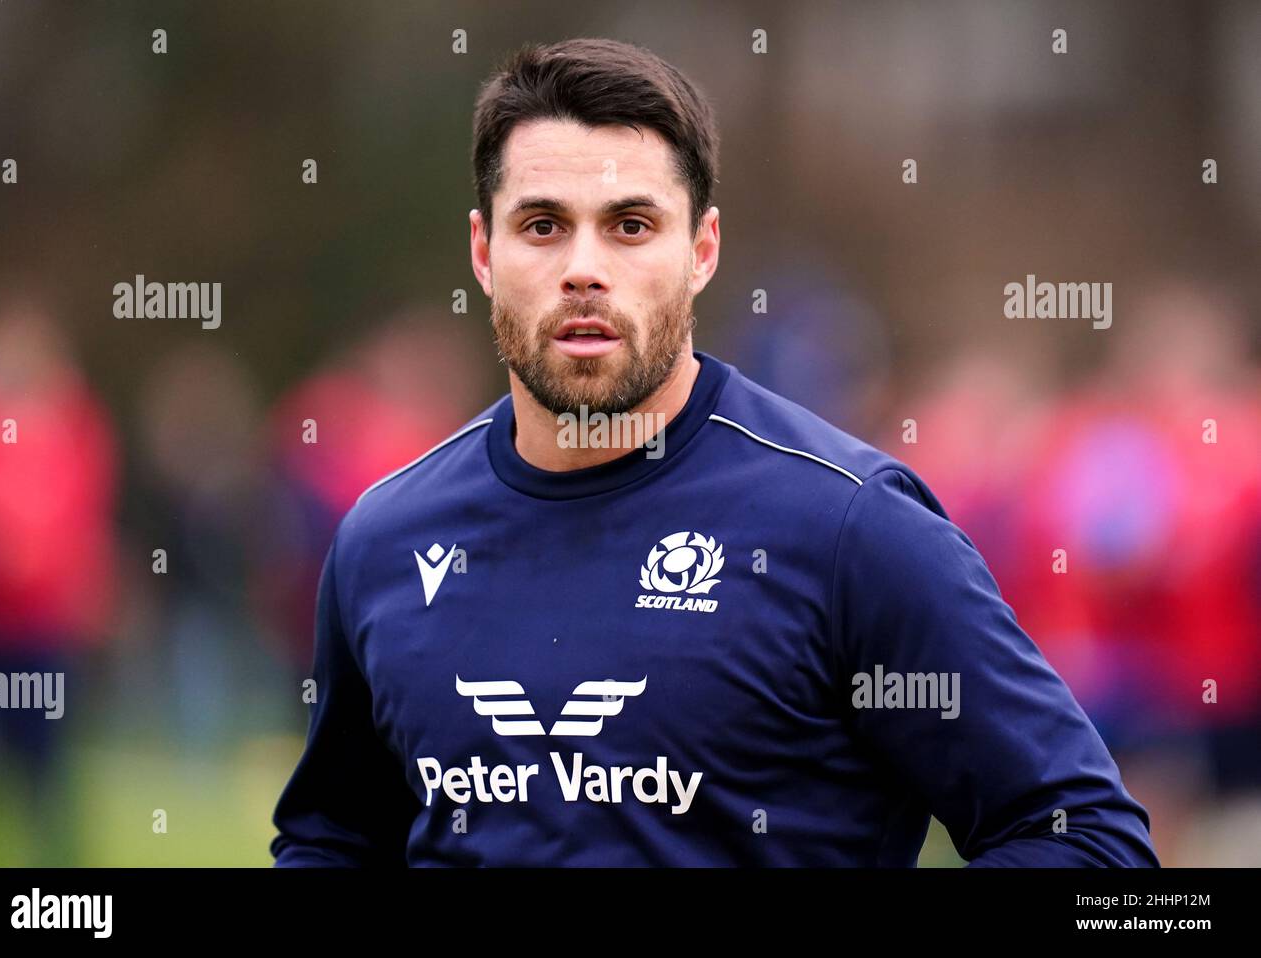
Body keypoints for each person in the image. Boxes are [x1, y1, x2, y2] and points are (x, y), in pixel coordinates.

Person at [270, 37, 1158, 867]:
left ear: (701, 250)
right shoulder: (387, 538)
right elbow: (332, 840)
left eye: (629, 226)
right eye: (542, 225)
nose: (584, 267)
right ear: (483, 252)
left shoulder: (850, 526)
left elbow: (1086, 839)